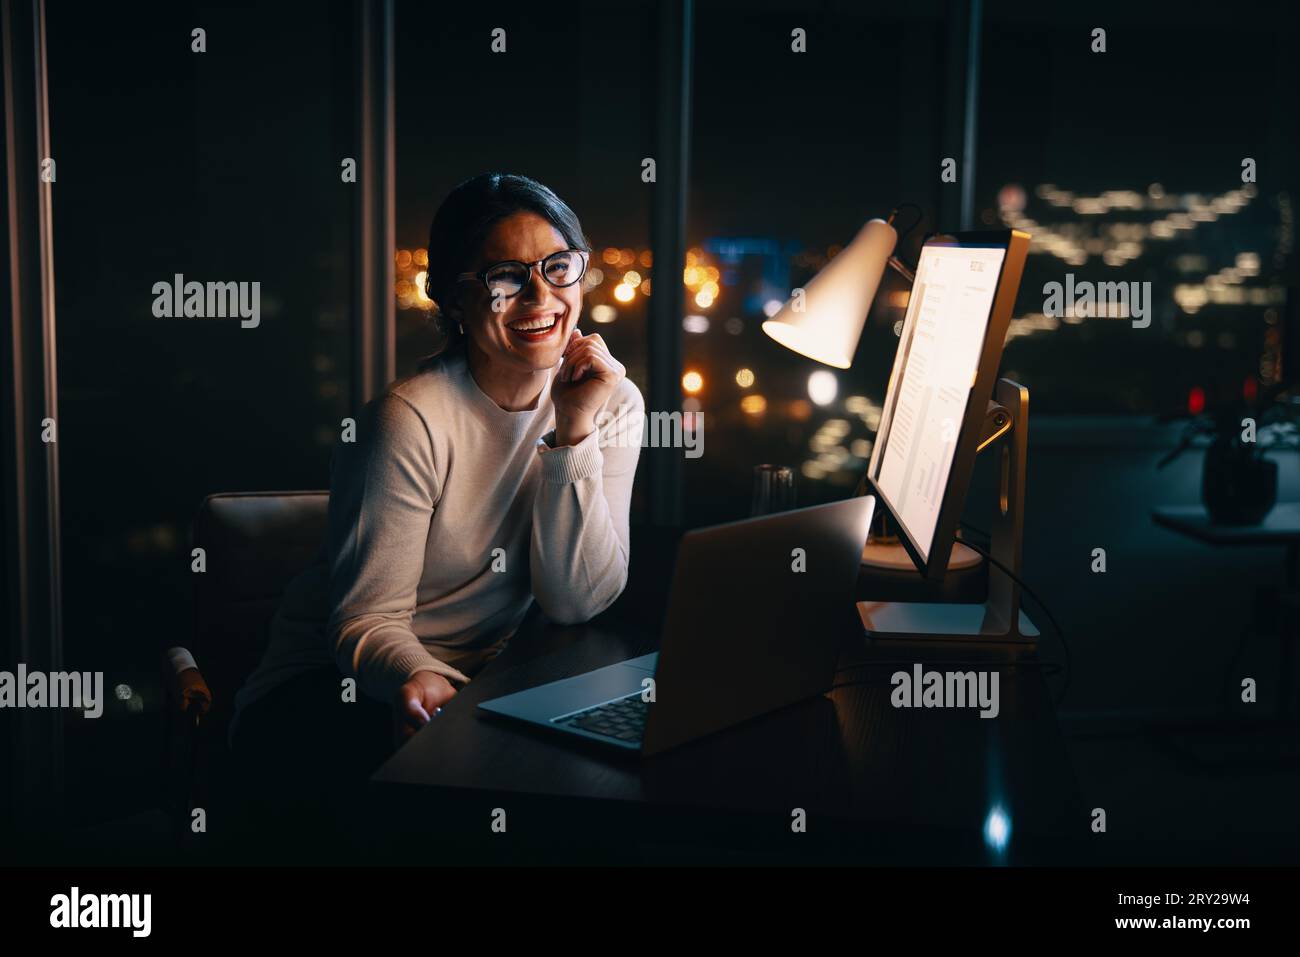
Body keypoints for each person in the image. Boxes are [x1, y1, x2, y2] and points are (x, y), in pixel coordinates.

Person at [227, 173, 644, 854]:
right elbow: (364, 621)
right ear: (454, 299)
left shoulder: (610, 401)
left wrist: (573, 431)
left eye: (558, 267)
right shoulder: (409, 419)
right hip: (332, 692)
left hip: (480, 685)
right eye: (506, 277)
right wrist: (420, 676)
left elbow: (575, 600)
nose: (542, 296)